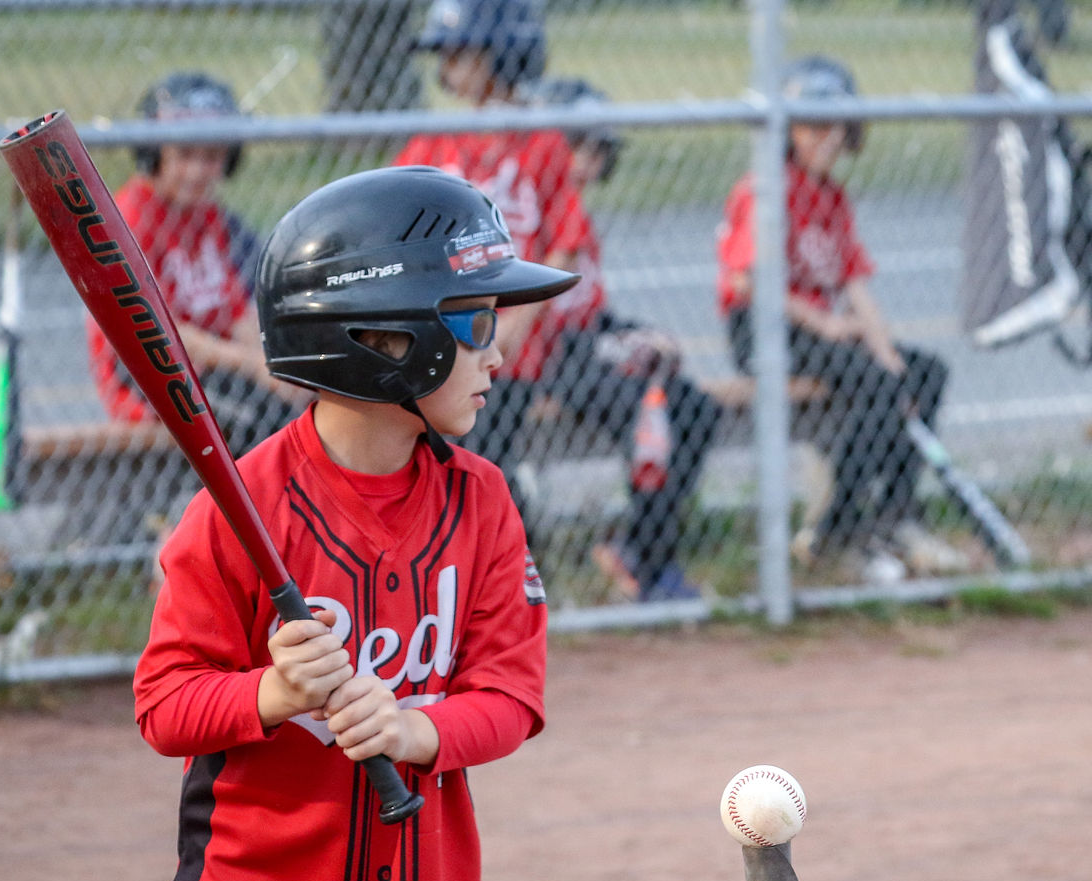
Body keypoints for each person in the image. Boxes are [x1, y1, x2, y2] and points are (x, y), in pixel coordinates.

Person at [134, 165, 578, 881]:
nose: (498, 354)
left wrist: (418, 726)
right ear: (388, 339)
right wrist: (275, 691)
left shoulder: (485, 500)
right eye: (475, 321)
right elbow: (165, 705)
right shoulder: (239, 507)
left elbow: (511, 695)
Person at [716, 54, 961, 580]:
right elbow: (748, 282)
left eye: (837, 127)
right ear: (789, 131)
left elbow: (855, 287)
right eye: (813, 126)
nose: (827, 138)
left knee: (921, 373)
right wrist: (825, 325)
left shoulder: (832, 197)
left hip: (816, 333)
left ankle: (897, 516)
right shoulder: (766, 189)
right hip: (764, 329)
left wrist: (888, 353)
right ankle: (835, 533)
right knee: (876, 385)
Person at [519, 75, 725, 601]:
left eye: (597, 150)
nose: (589, 162)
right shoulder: (522, 210)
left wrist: (638, 335)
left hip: (586, 347)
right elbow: (538, 316)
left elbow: (589, 309)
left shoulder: (578, 211)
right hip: (546, 358)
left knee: (696, 407)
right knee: (647, 413)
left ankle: (640, 546)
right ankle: (653, 573)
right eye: (578, 147)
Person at [391, 0, 575, 526]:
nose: (446, 67)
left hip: (514, 348)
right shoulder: (436, 140)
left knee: (480, 464)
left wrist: (517, 324)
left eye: (459, 53)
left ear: (505, 54)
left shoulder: (542, 141)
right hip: (444, 340)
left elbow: (563, 243)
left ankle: (512, 557)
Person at [88, 71, 303, 459]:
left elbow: (236, 314)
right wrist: (255, 367)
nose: (198, 171)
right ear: (153, 155)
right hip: (152, 375)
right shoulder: (130, 218)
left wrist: (279, 364)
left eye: (211, 158)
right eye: (184, 156)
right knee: (270, 419)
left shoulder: (207, 216)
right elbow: (162, 334)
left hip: (213, 371)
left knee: (299, 406)